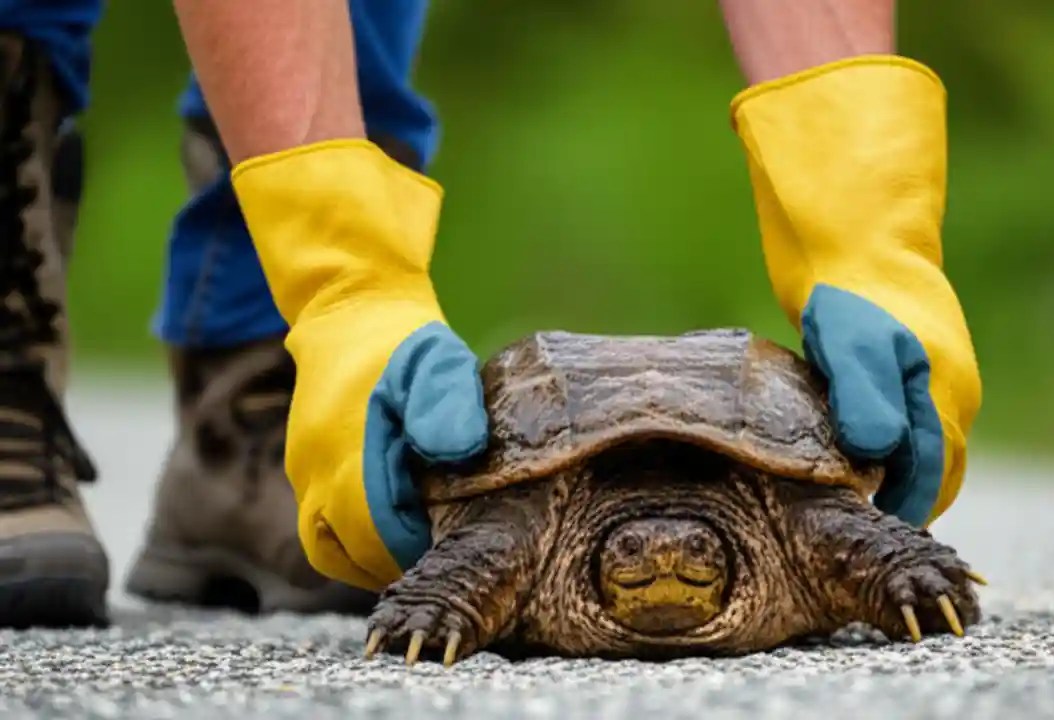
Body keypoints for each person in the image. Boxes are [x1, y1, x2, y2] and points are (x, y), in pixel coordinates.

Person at [0, 0, 981, 629]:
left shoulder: (772, 527)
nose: (665, 556)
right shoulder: (539, 538)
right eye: (641, 547)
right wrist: (344, 280)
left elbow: (836, 528)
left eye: (664, 546)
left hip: (739, 454)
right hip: (551, 480)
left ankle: (256, 392)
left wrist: (864, 218)